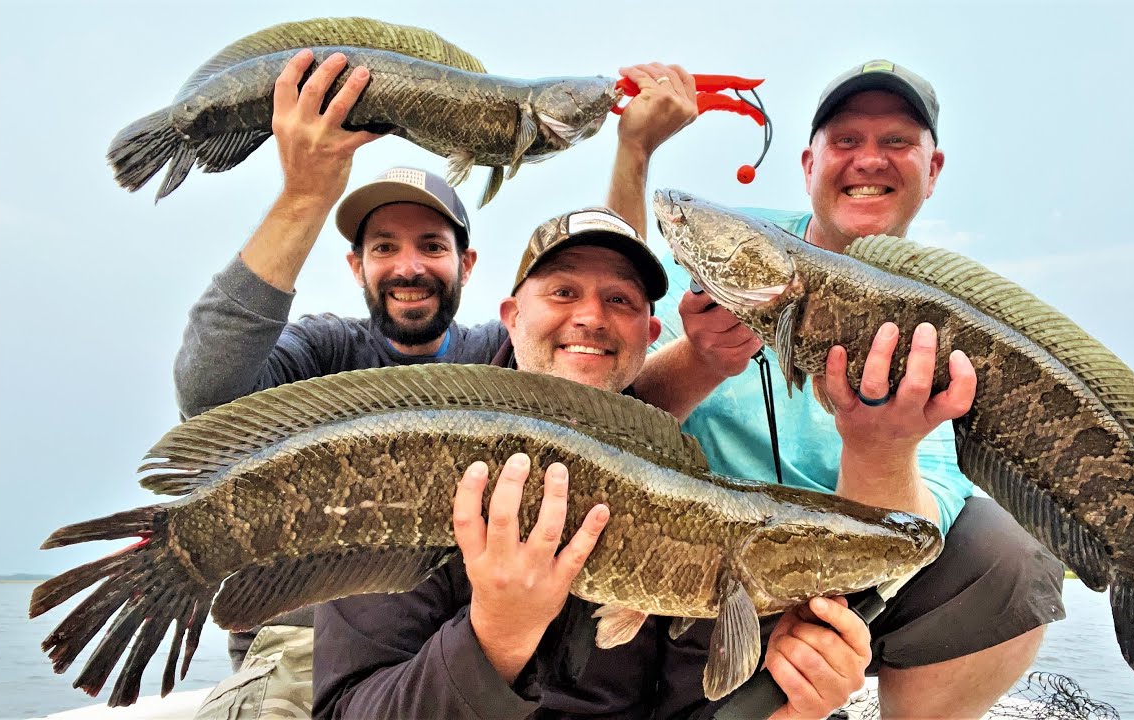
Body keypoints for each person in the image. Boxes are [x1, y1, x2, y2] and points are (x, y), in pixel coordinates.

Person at [176, 49, 701, 719]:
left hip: (449, 625)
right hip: (302, 630)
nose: (408, 265)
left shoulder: (498, 364)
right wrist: (305, 193)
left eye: (430, 244)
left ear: (466, 262)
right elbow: (208, 395)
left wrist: (633, 154)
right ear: (356, 264)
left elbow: (593, 361)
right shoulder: (324, 349)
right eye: (384, 246)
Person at [313, 207, 871, 720]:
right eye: (562, 291)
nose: (590, 317)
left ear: (649, 335)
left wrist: (792, 704)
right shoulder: (414, 464)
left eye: (620, 300)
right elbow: (347, 708)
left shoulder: (691, 490)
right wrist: (497, 637)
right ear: (510, 317)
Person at [633, 60, 1067, 718]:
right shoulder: (713, 253)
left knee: (1011, 556)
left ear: (933, 168)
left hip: (841, 580)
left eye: (896, 142)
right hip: (698, 567)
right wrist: (699, 358)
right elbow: (606, 400)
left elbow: (906, 537)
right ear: (808, 165)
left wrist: (882, 448)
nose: (869, 160)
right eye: (845, 141)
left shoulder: (942, 325)